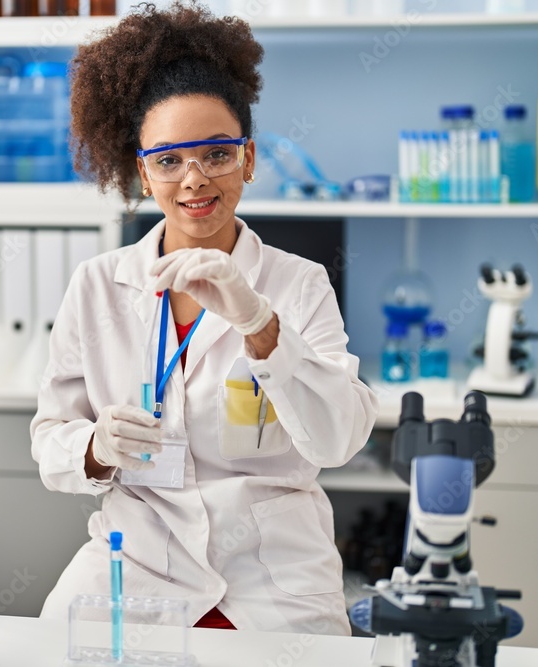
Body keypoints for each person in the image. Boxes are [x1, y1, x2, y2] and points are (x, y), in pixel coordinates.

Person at [31, 1, 378, 636]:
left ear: (247, 158)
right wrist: (96, 448)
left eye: (216, 154)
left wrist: (262, 327)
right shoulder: (97, 286)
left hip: (274, 572)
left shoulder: (299, 283)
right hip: (137, 561)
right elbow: (50, 438)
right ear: (143, 173)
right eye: (168, 160)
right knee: (49, 645)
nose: (194, 180)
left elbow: (338, 440)